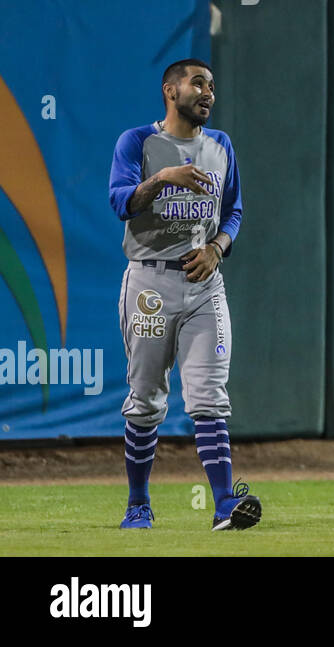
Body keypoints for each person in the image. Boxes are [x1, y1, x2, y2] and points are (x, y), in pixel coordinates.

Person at [108, 58, 261, 531]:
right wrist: (160, 180)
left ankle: (223, 505)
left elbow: (233, 210)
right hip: (149, 284)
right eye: (198, 83)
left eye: (212, 85)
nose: (208, 92)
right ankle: (138, 503)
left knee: (210, 395)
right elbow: (119, 201)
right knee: (147, 399)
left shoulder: (220, 145)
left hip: (203, 283)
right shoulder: (137, 142)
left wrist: (218, 246)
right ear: (170, 91)